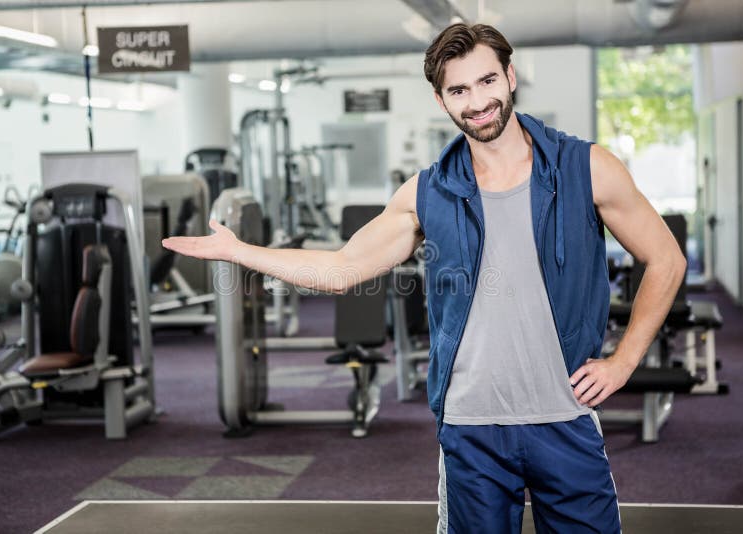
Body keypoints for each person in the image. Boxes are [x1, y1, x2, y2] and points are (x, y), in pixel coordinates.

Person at [163, 23, 686, 534]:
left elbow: (665, 259)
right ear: (441, 100)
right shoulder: (427, 192)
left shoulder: (586, 167)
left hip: (565, 415)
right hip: (471, 427)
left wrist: (624, 361)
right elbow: (342, 270)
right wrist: (239, 251)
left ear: (510, 76)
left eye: (487, 81)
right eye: (459, 90)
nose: (477, 102)